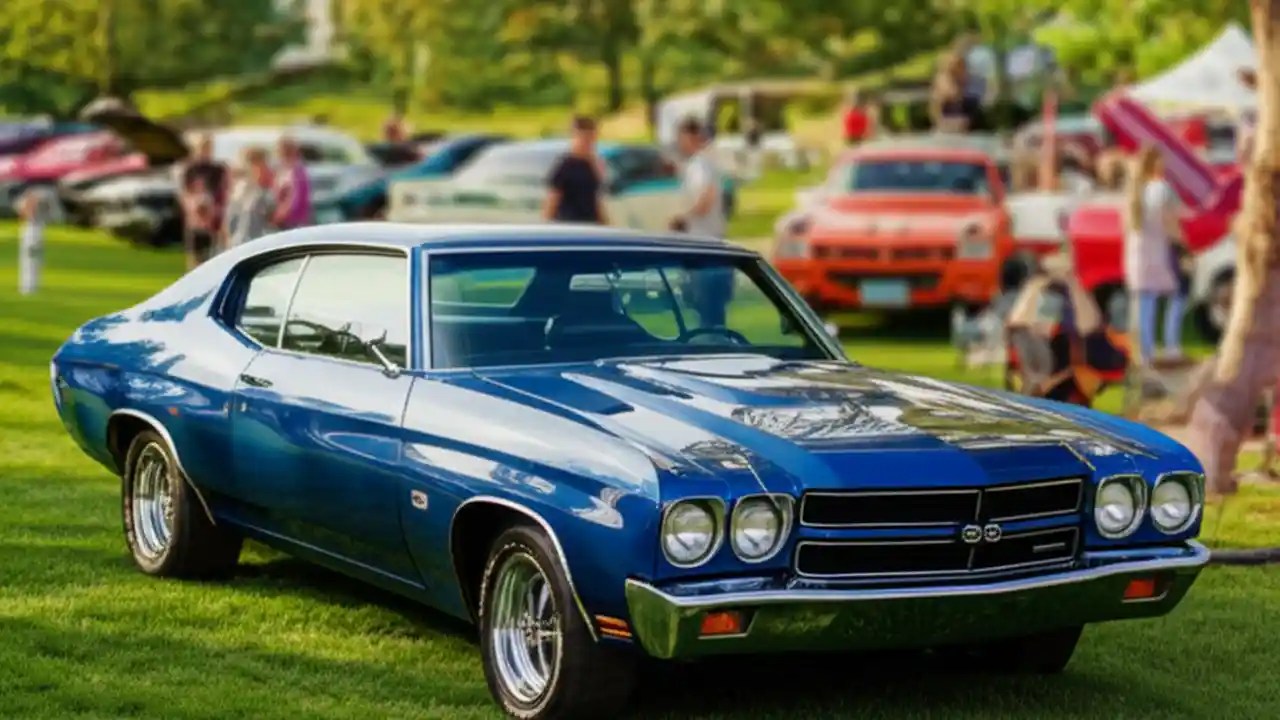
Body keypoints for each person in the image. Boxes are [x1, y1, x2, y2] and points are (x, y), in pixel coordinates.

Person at [1124, 147, 1186, 366]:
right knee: (1178, 294)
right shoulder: (1162, 189)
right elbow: (1170, 223)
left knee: (1145, 302)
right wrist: (1183, 244)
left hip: (1137, 255)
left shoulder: (1135, 192)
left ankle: (1144, 352)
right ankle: (1171, 345)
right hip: (1158, 252)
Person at [670, 117, 733, 327]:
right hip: (701, 239)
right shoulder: (699, 164)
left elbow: (707, 198)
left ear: (692, 137)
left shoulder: (703, 164)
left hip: (704, 241)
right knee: (703, 304)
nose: (680, 143)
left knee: (708, 304)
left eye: (682, 138)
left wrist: (682, 218)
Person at [544, 116, 609, 225]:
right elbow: (552, 201)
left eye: (592, 139)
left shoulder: (593, 164)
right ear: (575, 137)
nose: (589, 144)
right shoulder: (565, 166)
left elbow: (596, 199)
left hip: (592, 225)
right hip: (570, 226)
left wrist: (606, 225)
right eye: (585, 139)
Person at [179, 133, 229, 270]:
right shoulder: (190, 169)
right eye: (202, 147)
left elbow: (224, 193)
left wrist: (216, 212)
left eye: (208, 147)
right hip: (195, 220)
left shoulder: (218, 169)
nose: (205, 151)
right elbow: (184, 193)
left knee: (214, 258)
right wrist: (194, 210)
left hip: (214, 220)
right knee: (195, 258)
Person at [224, 147, 275, 249]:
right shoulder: (244, 190)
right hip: (245, 244)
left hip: (255, 244)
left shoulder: (266, 191)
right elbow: (230, 221)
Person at [272, 136, 312, 230]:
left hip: (294, 221)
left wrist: (281, 214)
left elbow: (296, 199)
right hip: (283, 221)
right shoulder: (282, 170)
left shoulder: (297, 171)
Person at [16, 187, 49, 295]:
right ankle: (29, 286)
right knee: (31, 260)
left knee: (31, 260)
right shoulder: (40, 201)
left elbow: (27, 214)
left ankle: (29, 286)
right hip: (34, 230)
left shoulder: (37, 202)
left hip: (33, 230)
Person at [929, 53, 970, 133]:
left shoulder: (959, 80)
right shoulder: (942, 78)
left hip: (957, 119)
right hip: (945, 120)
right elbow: (950, 94)